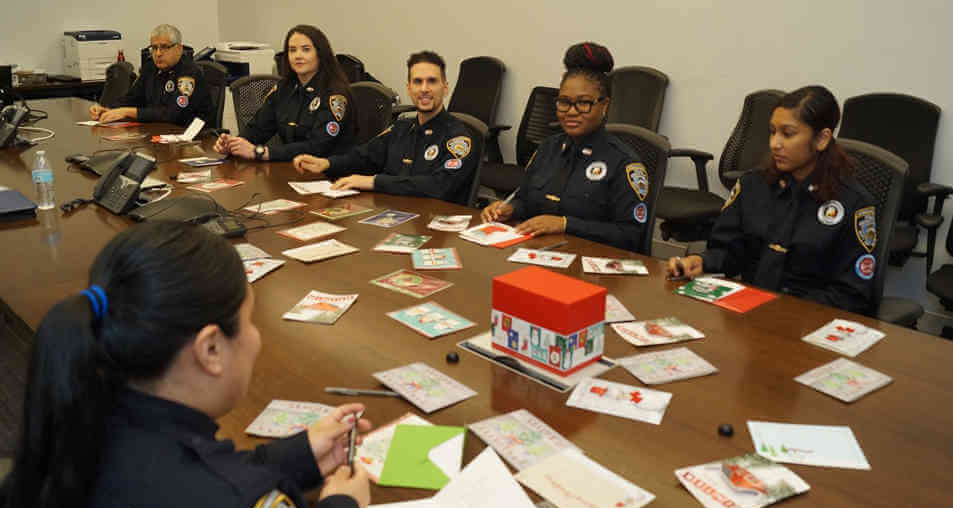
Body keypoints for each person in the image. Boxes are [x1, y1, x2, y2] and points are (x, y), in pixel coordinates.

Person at [0, 222, 371, 508]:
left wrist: (301, 455)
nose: (256, 337)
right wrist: (342, 505)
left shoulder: (78, 420)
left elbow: (193, 472)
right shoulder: (241, 501)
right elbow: (217, 488)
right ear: (210, 348)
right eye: (250, 321)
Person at [666, 85, 877, 314]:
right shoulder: (753, 185)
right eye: (772, 131)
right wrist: (701, 261)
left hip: (809, 321)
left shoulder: (853, 203)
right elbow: (730, 251)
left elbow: (851, 295)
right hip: (749, 316)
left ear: (822, 139)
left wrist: (781, 311)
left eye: (787, 134)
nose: (774, 143)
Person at [480, 42, 648, 252]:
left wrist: (566, 224)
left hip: (592, 264)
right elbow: (526, 199)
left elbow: (631, 235)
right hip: (540, 253)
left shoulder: (623, 162)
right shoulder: (548, 147)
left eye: (584, 103)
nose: (571, 111)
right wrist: (509, 209)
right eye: (564, 102)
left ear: (604, 106)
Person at [293, 51, 477, 206]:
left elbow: (439, 185)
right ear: (408, 88)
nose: (424, 89)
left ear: (445, 88)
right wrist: (327, 163)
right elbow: (364, 157)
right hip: (393, 215)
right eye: (417, 82)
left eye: (432, 81)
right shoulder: (401, 127)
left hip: (435, 225)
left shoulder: (457, 138)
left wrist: (373, 181)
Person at [214, 25, 356, 162]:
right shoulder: (284, 88)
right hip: (291, 169)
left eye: (306, 50)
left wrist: (263, 152)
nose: (298, 56)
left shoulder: (335, 94)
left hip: (328, 176)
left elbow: (318, 147)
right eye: (292, 50)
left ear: (320, 54)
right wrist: (234, 144)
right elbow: (259, 128)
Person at [88, 24, 213, 126]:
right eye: (154, 48)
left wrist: (127, 112)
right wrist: (107, 109)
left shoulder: (189, 73)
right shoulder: (151, 69)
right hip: (158, 133)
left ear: (179, 49)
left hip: (192, 138)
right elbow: (132, 98)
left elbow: (172, 114)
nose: (158, 53)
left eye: (164, 47)